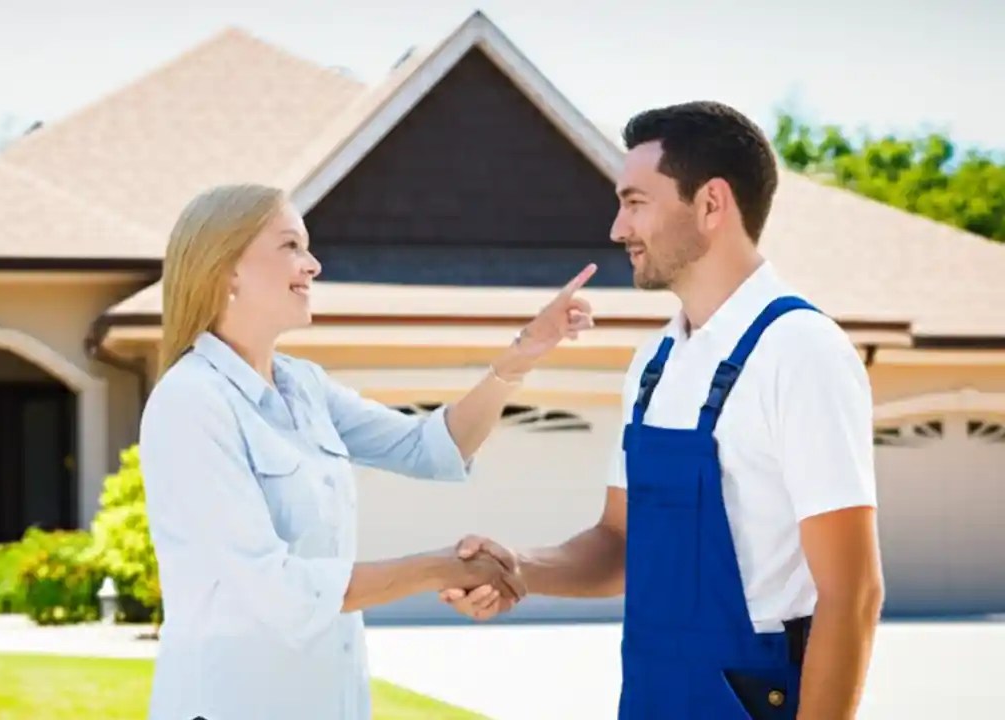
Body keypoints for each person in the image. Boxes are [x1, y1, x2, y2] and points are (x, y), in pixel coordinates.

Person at [441, 101, 885, 719]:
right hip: (652, 691)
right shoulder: (656, 362)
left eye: (636, 202)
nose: (618, 229)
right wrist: (519, 567)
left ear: (710, 204)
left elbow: (852, 593)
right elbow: (621, 542)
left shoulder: (800, 350)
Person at [138, 183, 595, 720]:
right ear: (227, 268)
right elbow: (274, 590)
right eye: (290, 246)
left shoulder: (303, 386)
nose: (313, 265)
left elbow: (431, 447)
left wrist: (520, 357)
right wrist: (436, 569)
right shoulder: (191, 402)